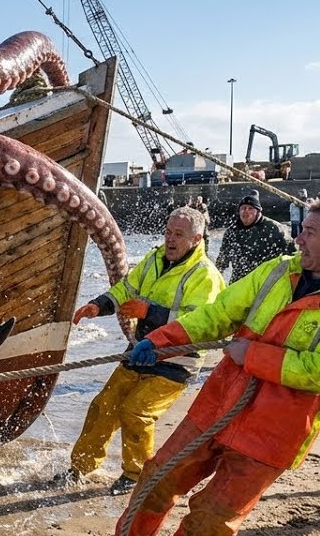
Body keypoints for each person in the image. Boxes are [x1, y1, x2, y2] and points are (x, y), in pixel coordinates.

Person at [89, 197, 320, 536]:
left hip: (273, 432)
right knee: (160, 473)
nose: (298, 237)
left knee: (216, 512)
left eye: (310, 232)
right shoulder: (278, 271)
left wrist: (254, 356)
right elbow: (216, 313)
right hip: (220, 402)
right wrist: (158, 340)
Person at [63, 208, 225, 494]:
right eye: (168, 232)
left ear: (196, 239)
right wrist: (99, 305)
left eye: (178, 235)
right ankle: (80, 467)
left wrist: (150, 311)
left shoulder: (206, 276)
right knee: (103, 405)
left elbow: (200, 323)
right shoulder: (153, 258)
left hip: (176, 362)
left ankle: (134, 474)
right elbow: (126, 288)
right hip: (139, 352)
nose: (170, 240)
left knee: (136, 412)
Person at [215, 195, 294, 282]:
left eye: (250, 208)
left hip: (266, 281)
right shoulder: (232, 231)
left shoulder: (273, 228)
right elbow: (222, 260)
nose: (246, 211)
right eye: (243, 208)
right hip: (239, 282)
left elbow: (291, 253)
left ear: (258, 211)